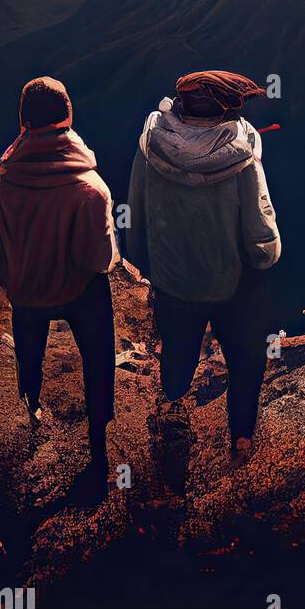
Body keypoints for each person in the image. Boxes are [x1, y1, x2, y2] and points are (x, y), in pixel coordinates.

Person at [124, 70, 281, 461]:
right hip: (232, 287)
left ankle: (171, 417)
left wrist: (148, 265)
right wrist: (266, 259)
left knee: (177, 353)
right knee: (246, 360)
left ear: (180, 105)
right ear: (225, 112)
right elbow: (261, 240)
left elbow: (135, 214)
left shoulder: (150, 147)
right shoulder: (244, 160)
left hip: (173, 282)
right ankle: (241, 441)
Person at [0, 77, 118, 489]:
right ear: (69, 116)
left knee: (29, 346)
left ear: (22, 121)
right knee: (97, 356)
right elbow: (98, 260)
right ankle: (99, 435)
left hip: (27, 292)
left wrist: (15, 279)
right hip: (81, 292)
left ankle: (31, 404)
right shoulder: (90, 190)